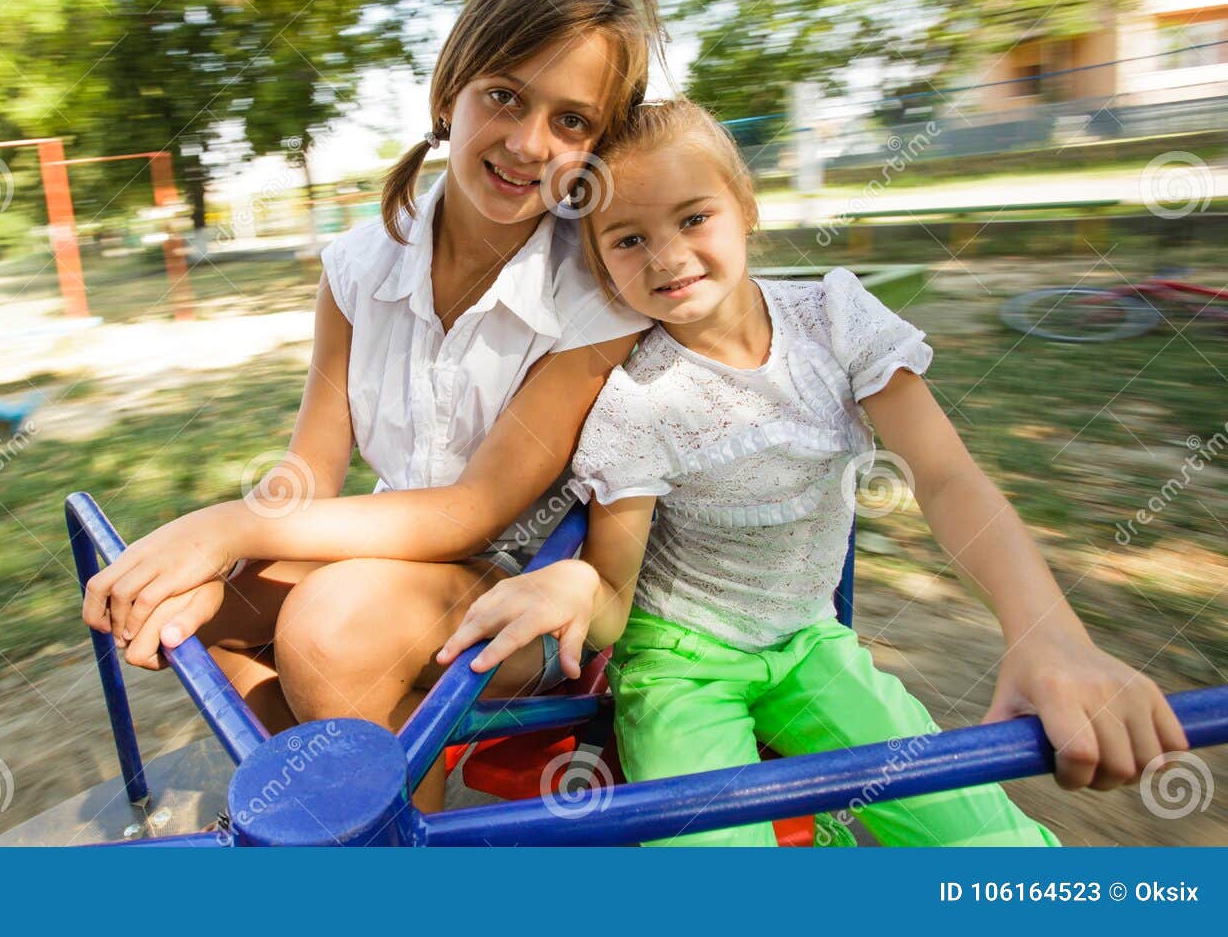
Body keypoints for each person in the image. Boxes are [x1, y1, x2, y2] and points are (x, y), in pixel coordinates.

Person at [437, 97, 1190, 845]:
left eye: (693, 218)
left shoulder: (835, 317)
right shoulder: (635, 401)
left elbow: (946, 477)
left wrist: (1048, 634)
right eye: (629, 239)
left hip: (810, 639)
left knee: (984, 841)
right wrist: (574, 584)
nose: (667, 256)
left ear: (745, 208)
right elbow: (611, 595)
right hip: (679, 665)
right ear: (600, 266)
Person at [81, 0, 662, 808]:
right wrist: (224, 563)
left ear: (596, 147)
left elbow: (475, 511)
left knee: (329, 626)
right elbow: (310, 471)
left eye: (570, 120)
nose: (530, 142)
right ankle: (345, 820)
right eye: (504, 95)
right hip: (387, 562)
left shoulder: (593, 295)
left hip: (529, 591)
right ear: (449, 92)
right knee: (182, 607)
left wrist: (222, 524)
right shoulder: (358, 267)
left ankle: (388, 851)